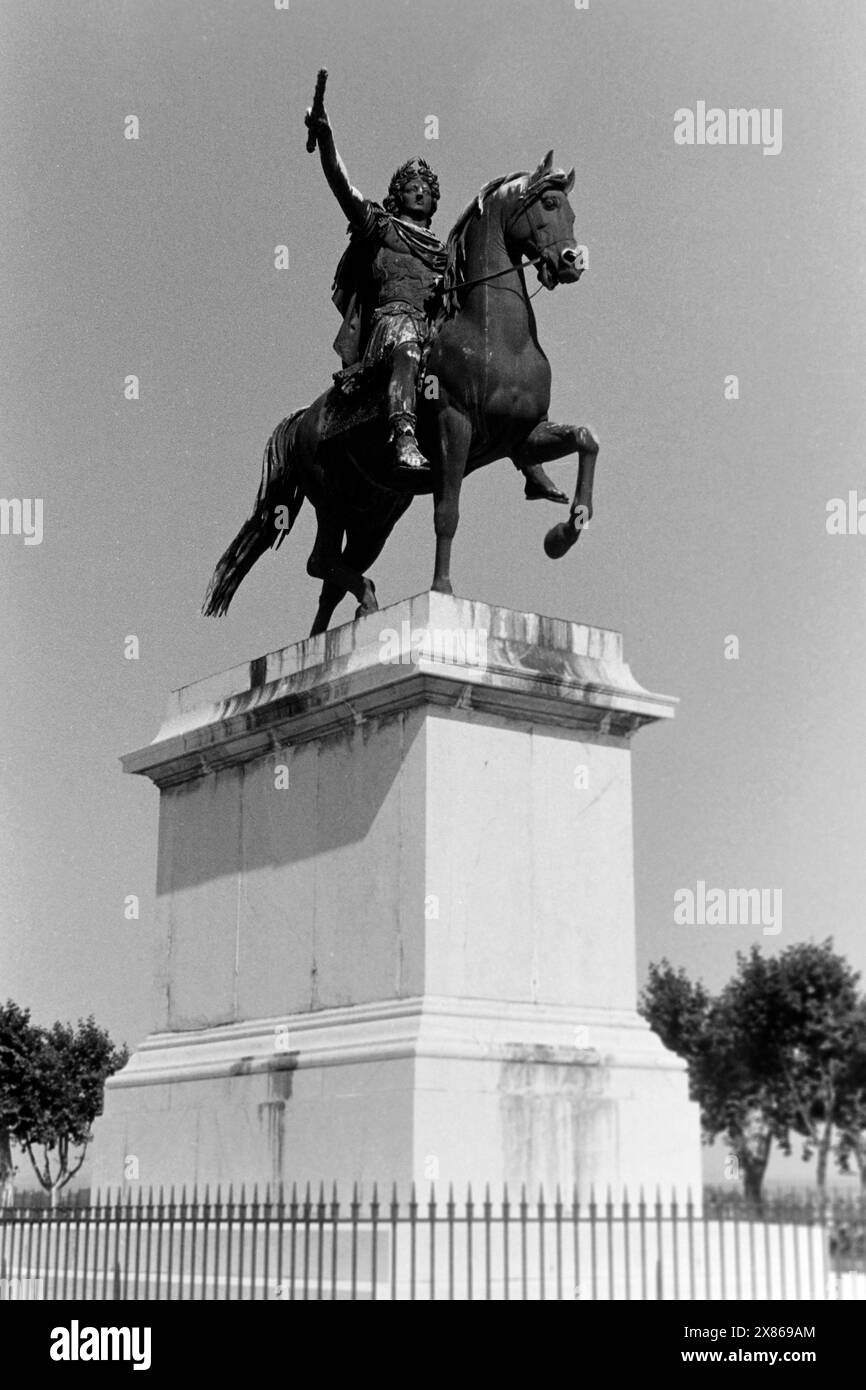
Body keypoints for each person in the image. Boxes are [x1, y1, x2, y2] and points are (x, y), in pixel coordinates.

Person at [305, 104, 567, 499]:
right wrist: (326, 139)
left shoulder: (446, 254)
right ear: (397, 196)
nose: (420, 191)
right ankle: (405, 436)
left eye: (427, 187)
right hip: (393, 322)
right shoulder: (379, 227)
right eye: (411, 186)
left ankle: (527, 456)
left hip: (432, 327)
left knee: (478, 364)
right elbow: (344, 187)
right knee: (408, 349)